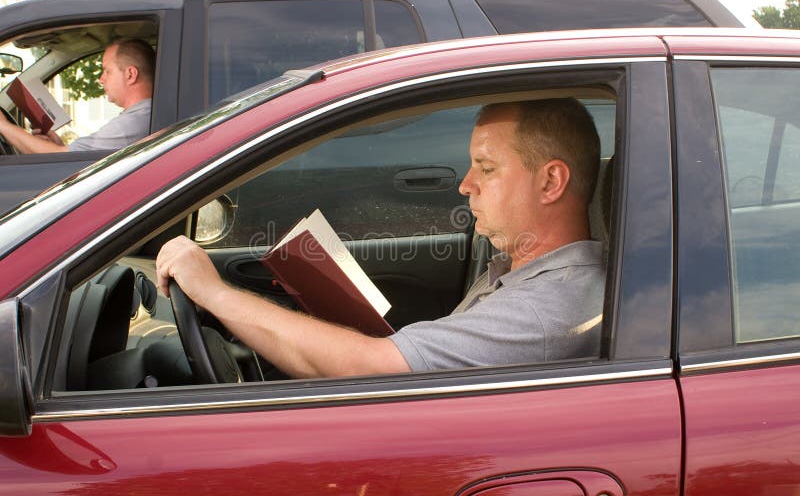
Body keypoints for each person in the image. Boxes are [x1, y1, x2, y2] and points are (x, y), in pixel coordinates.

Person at [155, 98, 605, 378]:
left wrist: (212, 291)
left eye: (486, 168)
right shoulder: (521, 271)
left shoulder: (544, 311)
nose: (465, 185)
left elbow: (368, 369)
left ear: (550, 183)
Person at [0, 38, 154, 154]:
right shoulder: (146, 116)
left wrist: (4, 126)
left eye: (107, 71)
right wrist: (59, 146)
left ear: (130, 74)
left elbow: (59, 159)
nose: (101, 79)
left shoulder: (132, 124)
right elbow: (69, 156)